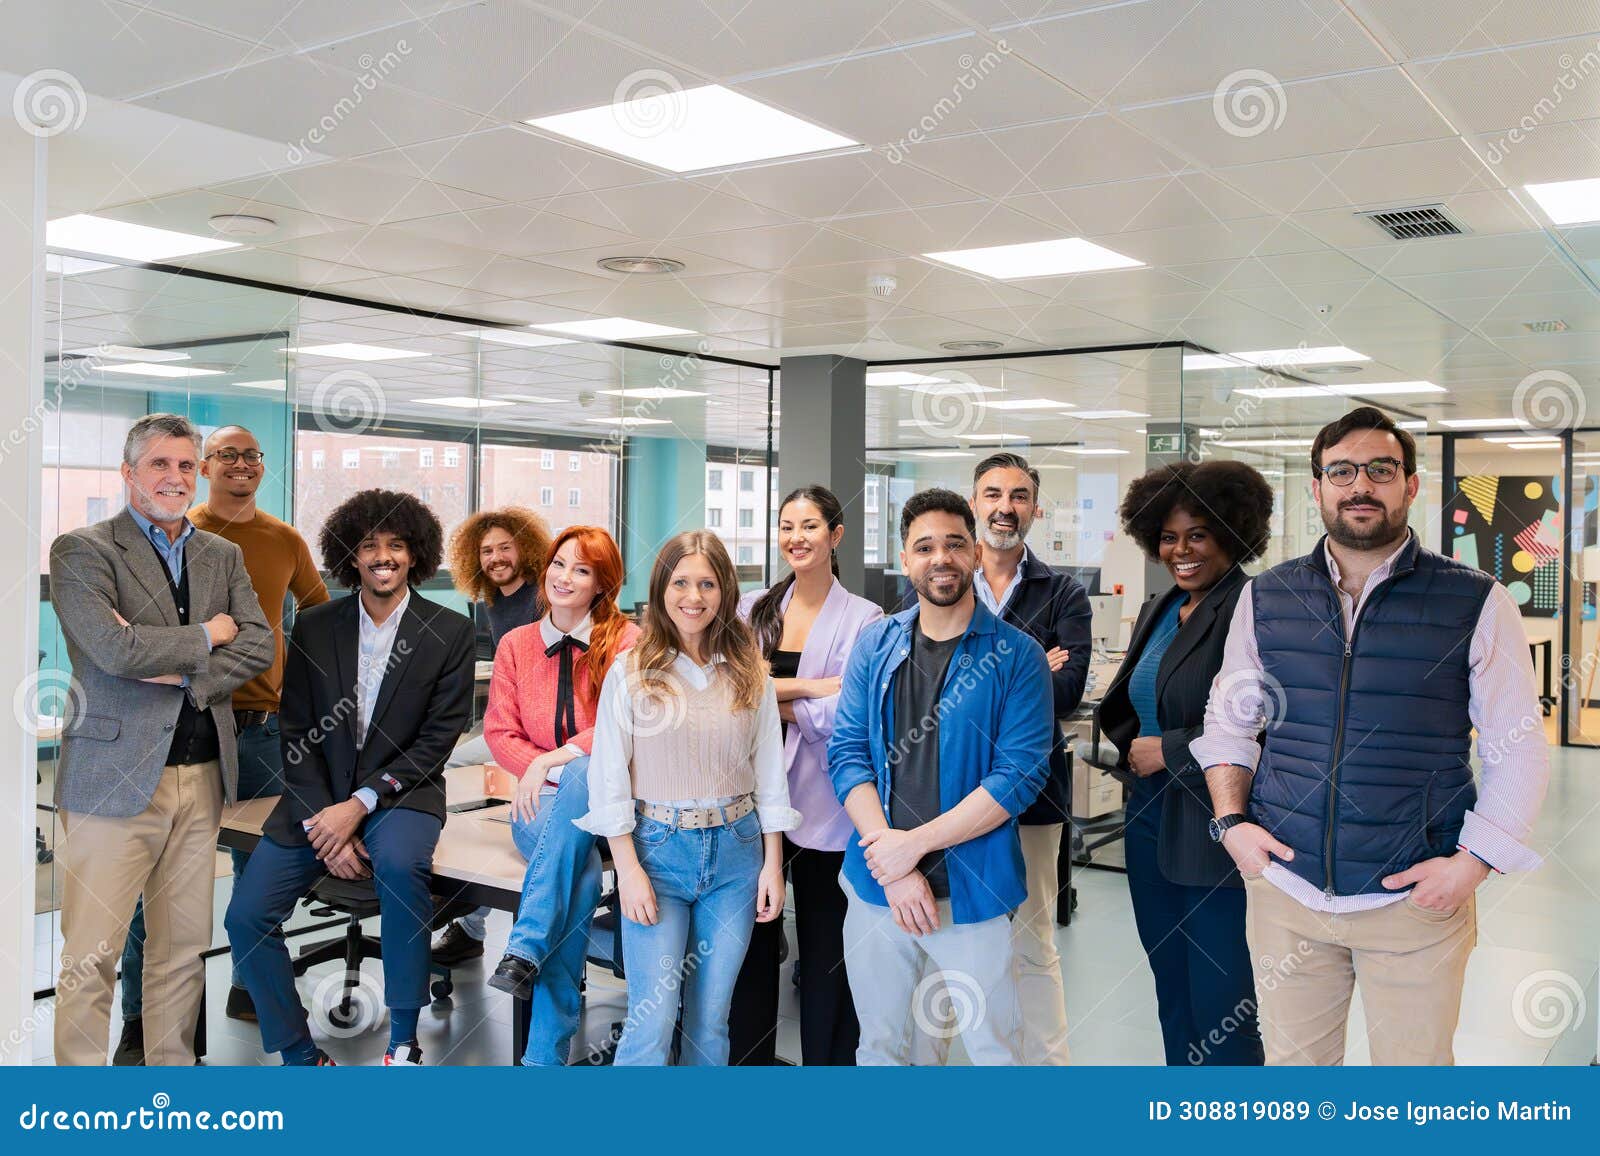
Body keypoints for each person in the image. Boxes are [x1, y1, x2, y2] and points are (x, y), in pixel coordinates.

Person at [1193, 407, 1551, 1065]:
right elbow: (1230, 723)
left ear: (1410, 486)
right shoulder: (1268, 597)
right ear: (1318, 487)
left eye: (1380, 470)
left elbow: (1518, 747)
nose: (1361, 485)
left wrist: (1472, 865)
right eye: (1342, 471)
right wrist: (1232, 823)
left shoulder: (1473, 599)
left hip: (1413, 899)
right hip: (1287, 893)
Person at [48, 413, 273, 1065]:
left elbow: (259, 642)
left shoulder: (221, 554)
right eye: (159, 464)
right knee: (92, 958)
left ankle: (168, 1095)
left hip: (202, 778)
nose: (174, 477)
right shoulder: (82, 551)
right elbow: (113, 650)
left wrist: (177, 669)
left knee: (179, 955)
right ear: (129, 474)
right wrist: (209, 635)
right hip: (109, 782)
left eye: (184, 465)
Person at [224, 489, 475, 1066]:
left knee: (401, 866)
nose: (382, 556)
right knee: (246, 915)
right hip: (315, 801)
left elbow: (438, 740)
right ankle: (298, 1053)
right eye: (369, 545)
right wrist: (323, 821)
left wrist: (358, 806)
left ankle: (404, 1042)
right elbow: (296, 730)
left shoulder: (449, 630)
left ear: (415, 555)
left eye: (395, 545)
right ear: (350, 556)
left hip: (402, 795)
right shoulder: (314, 626)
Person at [115, 424, 329, 1063]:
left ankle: (249, 987)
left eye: (252, 455)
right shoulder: (176, 530)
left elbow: (317, 620)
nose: (240, 464)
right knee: (150, 881)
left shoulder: (283, 539)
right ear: (203, 468)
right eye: (226, 454)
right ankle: (142, 1019)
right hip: (170, 726)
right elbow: (130, 643)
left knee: (255, 874)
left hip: (260, 731)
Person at [828, 487, 1053, 1066]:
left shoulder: (1017, 655)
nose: (941, 558)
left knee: (993, 1050)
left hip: (972, 891)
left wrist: (915, 847)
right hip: (877, 888)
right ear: (905, 559)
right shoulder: (876, 642)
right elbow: (848, 753)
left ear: (976, 553)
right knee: (881, 1046)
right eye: (924, 546)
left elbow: (1018, 777)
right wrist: (892, 863)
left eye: (955, 544)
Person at [576, 531, 799, 1065]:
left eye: (707, 583)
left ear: (725, 590)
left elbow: (769, 776)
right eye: (680, 582)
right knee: (651, 1020)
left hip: (738, 856)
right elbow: (608, 779)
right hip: (656, 854)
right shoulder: (631, 674)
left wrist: (773, 866)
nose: (693, 596)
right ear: (661, 588)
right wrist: (627, 870)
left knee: (711, 1021)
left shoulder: (751, 675)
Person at [912, 453, 1091, 1065]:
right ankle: (930, 1065)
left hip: (1032, 799)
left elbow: (1065, 694)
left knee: (1033, 940)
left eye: (1019, 496)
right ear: (974, 501)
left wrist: (1005, 685)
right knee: (936, 934)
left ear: (1036, 509)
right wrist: (1024, 671)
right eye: (992, 494)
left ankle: (1045, 1073)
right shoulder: (941, 577)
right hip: (940, 797)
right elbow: (921, 694)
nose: (1005, 507)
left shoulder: (1062, 592)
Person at [1097, 460, 1273, 1066]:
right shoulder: (1163, 604)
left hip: (1212, 823)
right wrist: (1129, 747)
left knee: (1221, 1001)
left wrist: (1167, 750)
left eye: (1197, 534)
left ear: (1232, 532)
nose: (1181, 550)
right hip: (1148, 815)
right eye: (1169, 537)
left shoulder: (1253, 606)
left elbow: (1266, 716)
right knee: (1170, 983)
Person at [727, 486, 884, 1065]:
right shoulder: (751, 609)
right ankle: (752, 1064)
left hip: (827, 803)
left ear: (836, 535)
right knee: (752, 944)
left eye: (811, 525)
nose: (797, 537)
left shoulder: (867, 619)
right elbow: (730, 694)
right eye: (787, 525)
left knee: (827, 950)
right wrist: (813, 688)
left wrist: (772, 697)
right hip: (752, 798)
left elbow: (854, 711)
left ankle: (829, 1070)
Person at [480, 526, 641, 1066]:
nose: (563, 577)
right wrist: (541, 772)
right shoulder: (515, 645)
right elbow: (500, 733)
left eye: (581, 569)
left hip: (613, 807)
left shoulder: (626, 641)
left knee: (580, 776)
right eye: (558, 564)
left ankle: (526, 950)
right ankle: (543, 1051)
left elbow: (625, 725)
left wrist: (555, 758)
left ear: (602, 584)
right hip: (539, 807)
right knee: (584, 876)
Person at [432, 507, 551, 966]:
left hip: (546, 737)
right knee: (454, 770)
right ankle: (466, 912)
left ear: (525, 549)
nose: (496, 557)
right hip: (511, 728)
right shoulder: (494, 603)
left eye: (505, 547)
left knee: (513, 807)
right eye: (487, 551)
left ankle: (497, 923)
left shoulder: (542, 596)